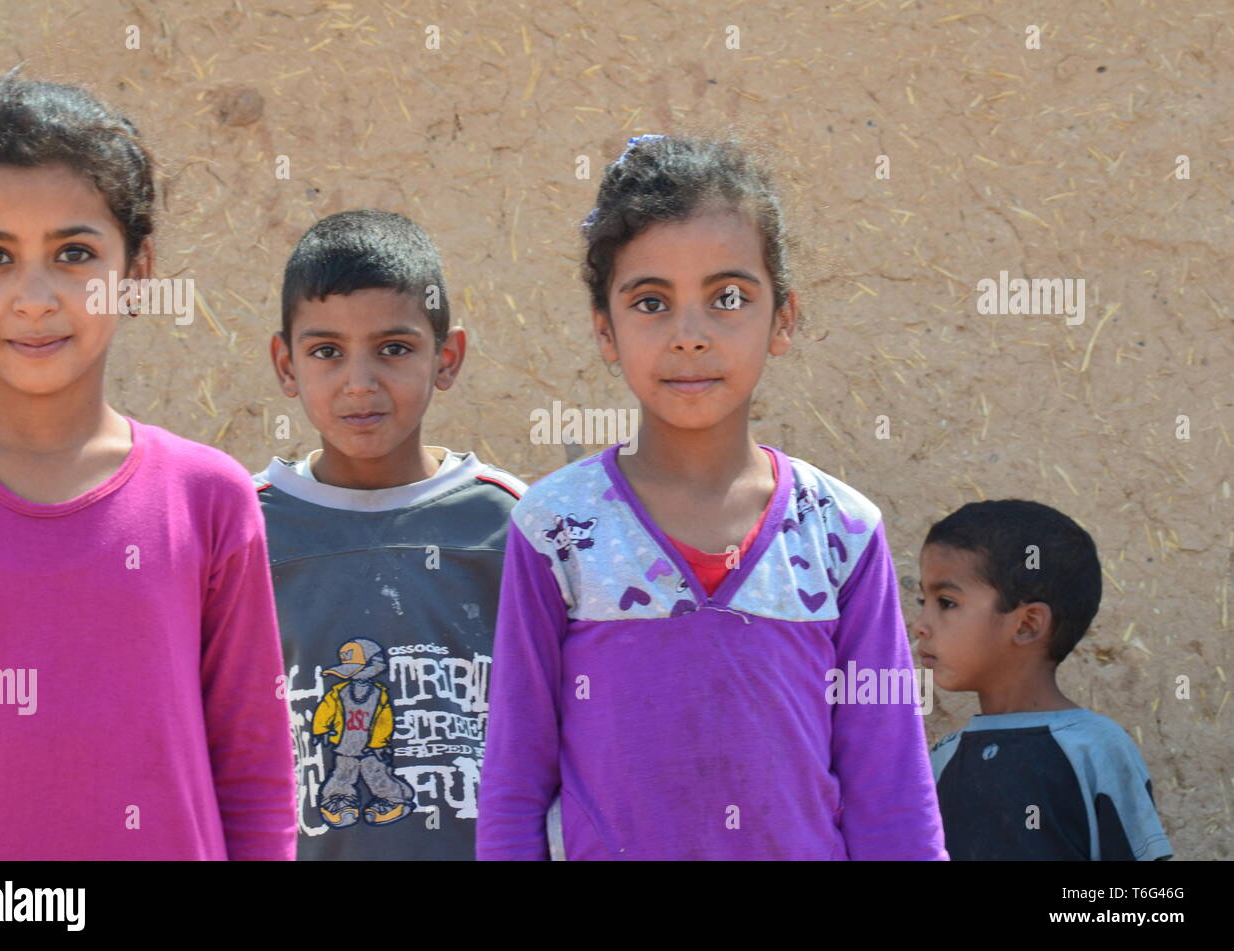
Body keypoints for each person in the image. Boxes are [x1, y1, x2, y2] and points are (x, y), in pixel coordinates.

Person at [476, 134, 946, 860]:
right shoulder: (557, 529)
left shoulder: (842, 533)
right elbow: (513, 783)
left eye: (727, 297)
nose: (689, 335)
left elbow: (892, 790)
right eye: (651, 302)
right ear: (606, 329)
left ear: (783, 318)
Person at [0, 73, 295, 859]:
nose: (35, 296)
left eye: (74, 252)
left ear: (136, 271)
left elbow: (257, 774)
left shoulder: (208, 498)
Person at [253, 210, 536, 859]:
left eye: (394, 348)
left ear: (448, 357)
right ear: (286, 363)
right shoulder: (247, 530)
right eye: (327, 351)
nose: (360, 381)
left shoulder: (511, 523)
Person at [914, 499, 1173, 860]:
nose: (920, 625)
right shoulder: (942, 760)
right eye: (920, 600)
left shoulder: (1095, 749)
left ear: (1027, 625)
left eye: (945, 602)